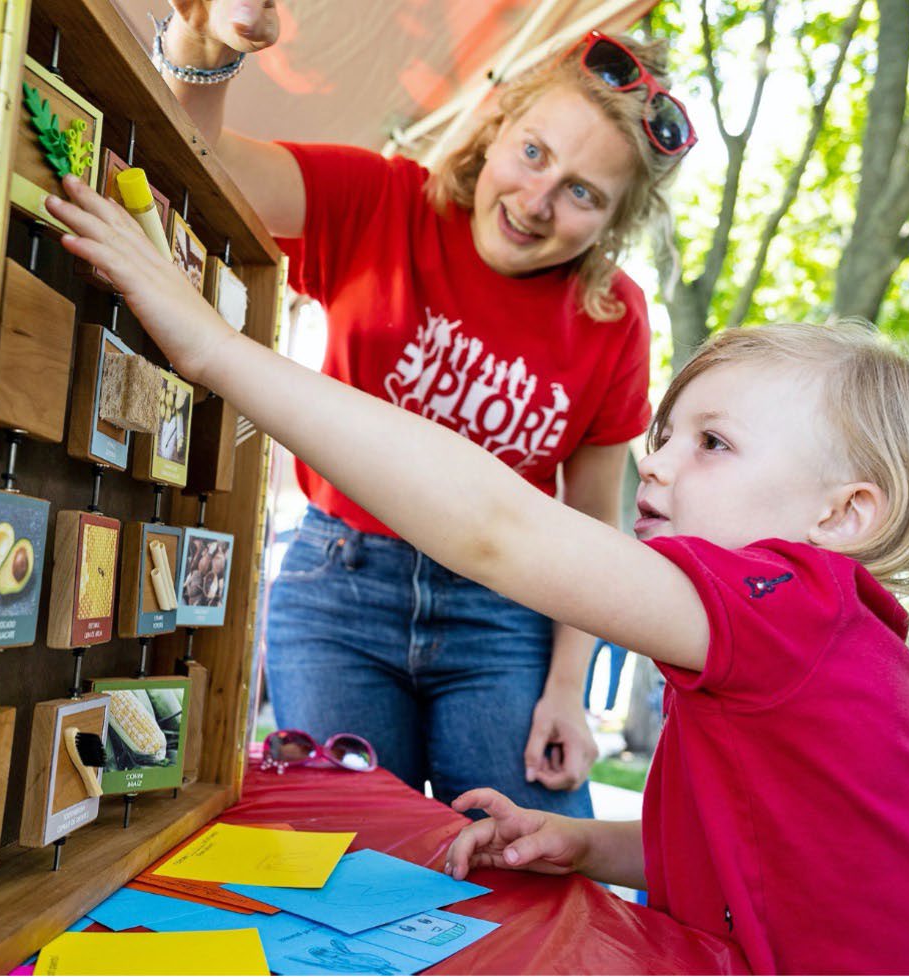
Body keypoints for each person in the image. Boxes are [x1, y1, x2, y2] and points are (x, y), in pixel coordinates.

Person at [46, 180, 909, 972]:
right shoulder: (810, 637)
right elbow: (767, 856)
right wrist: (591, 843)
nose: (654, 466)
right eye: (665, 437)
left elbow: (497, 527)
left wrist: (215, 350)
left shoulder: (793, 600)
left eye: (714, 444)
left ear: (842, 515)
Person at [151, 1, 695, 814]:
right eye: (534, 152)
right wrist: (201, 45)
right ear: (496, 125)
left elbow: (592, 528)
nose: (538, 200)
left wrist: (567, 693)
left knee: (530, 858)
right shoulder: (383, 202)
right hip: (340, 592)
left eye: (582, 191)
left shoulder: (614, 317)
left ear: (617, 221)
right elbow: (199, 166)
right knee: (353, 857)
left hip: (503, 611)